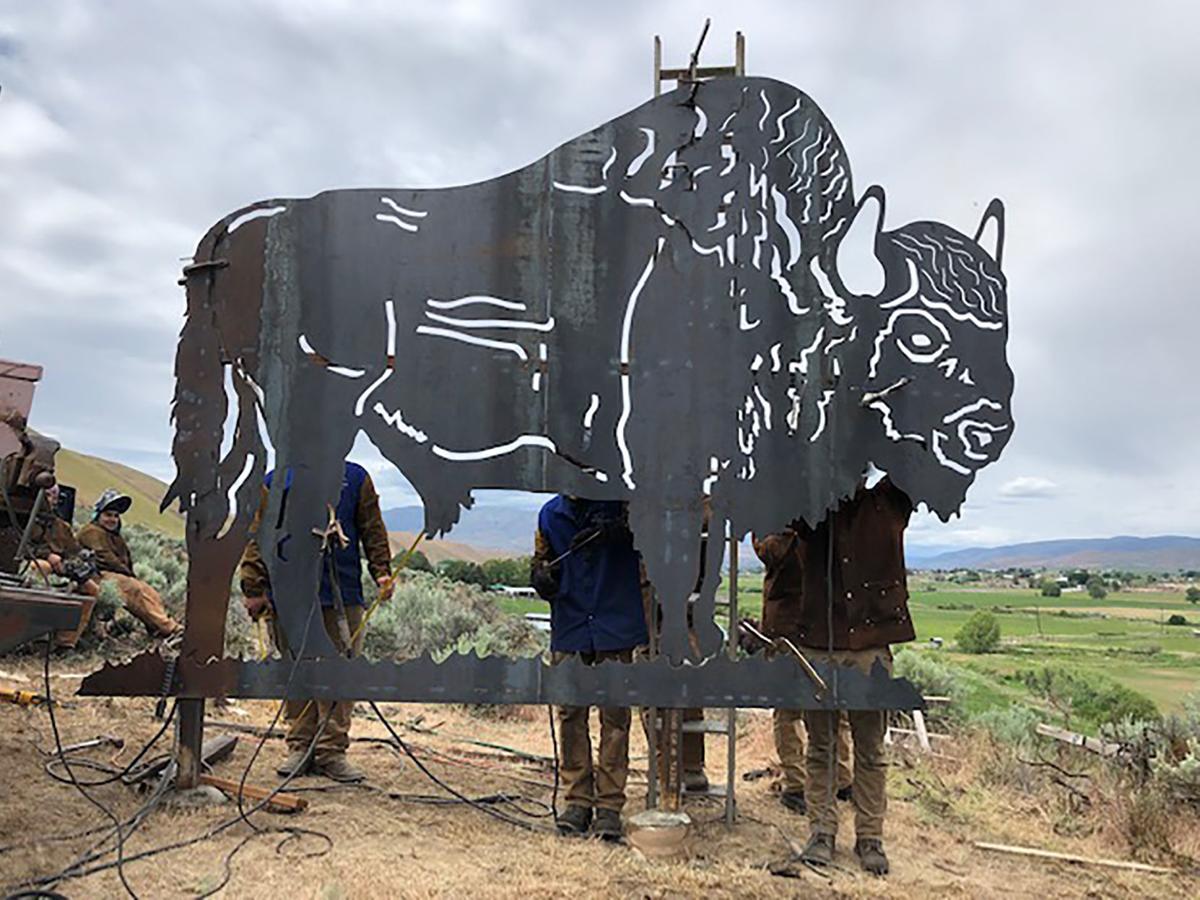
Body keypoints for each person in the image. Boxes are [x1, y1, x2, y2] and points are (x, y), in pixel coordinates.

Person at [239, 460, 394, 783]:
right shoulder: (277, 479)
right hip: (289, 592)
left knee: (341, 672)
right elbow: (259, 534)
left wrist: (382, 570)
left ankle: (331, 751)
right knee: (297, 671)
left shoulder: (355, 477)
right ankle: (300, 746)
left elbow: (372, 528)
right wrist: (254, 586)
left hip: (344, 592)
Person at [793, 471, 916, 876]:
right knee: (821, 745)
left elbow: (912, 452)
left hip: (870, 644)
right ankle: (822, 832)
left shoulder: (890, 500)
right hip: (820, 641)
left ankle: (870, 837)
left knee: (870, 748)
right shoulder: (813, 508)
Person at [531, 496, 648, 839]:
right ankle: (577, 801)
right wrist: (540, 576)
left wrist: (623, 530)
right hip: (571, 622)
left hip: (615, 620)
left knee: (615, 716)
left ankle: (609, 806)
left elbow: (652, 532)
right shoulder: (549, 514)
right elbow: (541, 560)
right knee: (570, 713)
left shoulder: (624, 506)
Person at [750, 528, 853, 814]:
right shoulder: (782, 520)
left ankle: (840, 778)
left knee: (830, 706)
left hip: (819, 623)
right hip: (795, 625)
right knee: (791, 708)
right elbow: (769, 552)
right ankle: (796, 782)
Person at [78, 489, 182, 639]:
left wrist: (130, 575)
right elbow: (105, 558)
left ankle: (156, 627)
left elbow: (123, 560)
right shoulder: (91, 532)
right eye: (108, 515)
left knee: (148, 590)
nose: (112, 519)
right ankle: (168, 628)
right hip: (93, 576)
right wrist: (129, 575)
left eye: (115, 516)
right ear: (98, 514)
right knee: (134, 588)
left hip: (109, 575)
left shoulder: (112, 535)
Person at [26, 483, 100, 599]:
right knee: (42, 566)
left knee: (93, 589)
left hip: (60, 570)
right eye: (45, 495)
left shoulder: (62, 527)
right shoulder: (23, 519)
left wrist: (76, 562)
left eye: (52, 496)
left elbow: (73, 550)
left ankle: (86, 617)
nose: (46, 500)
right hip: (29, 565)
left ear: (56, 501)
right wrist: (47, 555)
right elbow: (18, 546)